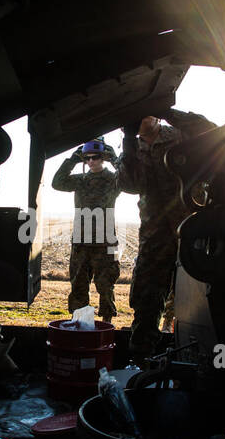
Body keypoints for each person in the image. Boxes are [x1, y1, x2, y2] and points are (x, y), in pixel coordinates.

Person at [117, 110, 213, 361]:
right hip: (154, 236)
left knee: (205, 297)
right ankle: (140, 361)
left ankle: (208, 360)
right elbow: (129, 185)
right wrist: (127, 140)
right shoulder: (131, 147)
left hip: (194, 230)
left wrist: (169, 112)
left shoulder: (180, 133)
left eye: (146, 111)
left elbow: (212, 133)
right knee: (146, 299)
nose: (140, 117)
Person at [50, 138, 122, 323]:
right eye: (87, 158)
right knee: (79, 287)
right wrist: (73, 159)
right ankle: (80, 326)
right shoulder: (80, 180)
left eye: (96, 157)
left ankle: (107, 326)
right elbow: (57, 182)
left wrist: (115, 158)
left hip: (105, 242)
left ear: (103, 157)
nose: (91, 161)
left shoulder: (113, 179)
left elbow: (129, 178)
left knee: (105, 286)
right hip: (81, 242)